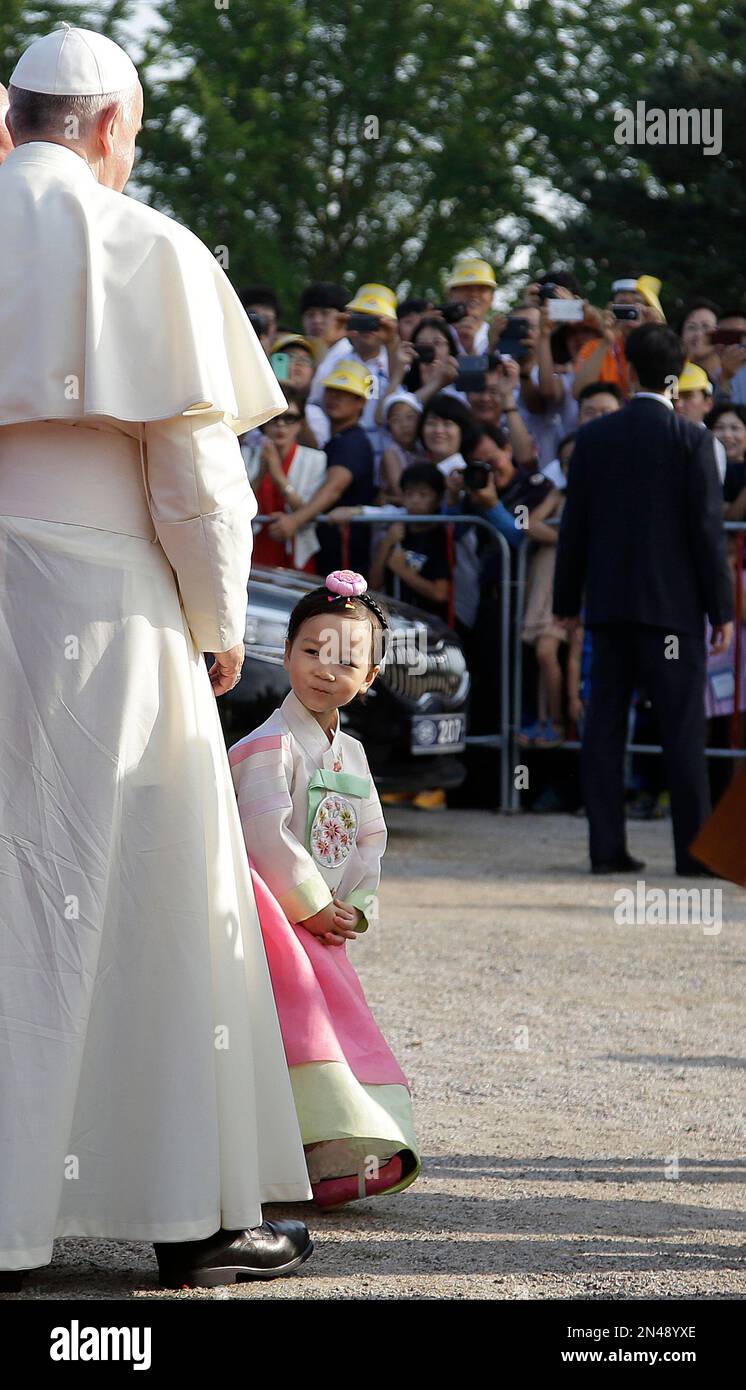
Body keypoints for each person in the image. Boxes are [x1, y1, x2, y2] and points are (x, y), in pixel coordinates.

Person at [0, 26, 313, 1291]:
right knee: (155, 902)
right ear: (113, 126)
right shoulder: (147, 247)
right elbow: (198, 484)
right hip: (104, 607)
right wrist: (220, 621)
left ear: (12, 117)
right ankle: (188, 1214)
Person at [228, 572, 420, 1207]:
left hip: (324, 921)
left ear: (368, 680)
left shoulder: (353, 755)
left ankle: (331, 1151)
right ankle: (289, 1157)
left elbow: (371, 836)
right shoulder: (266, 746)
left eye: (345, 661)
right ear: (286, 654)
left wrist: (354, 909)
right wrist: (311, 905)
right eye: (310, 651)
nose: (322, 669)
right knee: (295, 1028)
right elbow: (264, 834)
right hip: (272, 920)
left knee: (326, 1029)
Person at [553, 323, 734, 876]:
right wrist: (720, 609)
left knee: (604, 729)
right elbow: (707, 533)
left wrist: (565, 601)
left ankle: (606, 850)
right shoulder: (693, 440)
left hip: (608, 611)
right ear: (677, 373)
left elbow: (573, 528)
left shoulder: (595, 438)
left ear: (625, 369)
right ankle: (692, 853)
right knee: (682, 731)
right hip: (674, 618)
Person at [272, 359, 377, 576]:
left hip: (345, 553)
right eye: (331, 391)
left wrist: (294, 520)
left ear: (361, 402)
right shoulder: (339, 439)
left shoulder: (352, 442)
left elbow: (333, 489)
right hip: (334, 548)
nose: (334, 397)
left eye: (344, 393)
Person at [252, 385, 327, 572]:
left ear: (301, 423)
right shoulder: (246, 455)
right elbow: (238, 507)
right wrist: (261, 473)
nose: (281, 425)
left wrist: (279, 477)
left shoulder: (316, 459)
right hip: (255, 547)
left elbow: (307, 511)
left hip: (297, 548)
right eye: (274, 418)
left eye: (290, 418)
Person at [370, 462, 451, 620]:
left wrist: (403, 571)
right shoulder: (396, 532)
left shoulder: (440, 537)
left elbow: (440, 594)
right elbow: (374, 584)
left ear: (438, 499)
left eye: (423, 494)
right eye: (409, 494)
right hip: (394, 620)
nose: (415, 500)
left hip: (427, 623)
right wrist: (387, 543)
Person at [573, 275, 666, 400]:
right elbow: (579, 393)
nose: (631, 310)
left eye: (638, 303)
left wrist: (657, 333)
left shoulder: (665, 346)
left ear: (652, 309)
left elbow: (673, 393)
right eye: (623, 304)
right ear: (611, 308)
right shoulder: (594, 348)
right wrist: (607, 342)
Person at [445, 257, 497, 354]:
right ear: (450, 295)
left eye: (482, 289)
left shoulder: (498, 337)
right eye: (466, 288)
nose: (473, 294)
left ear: (492, 298)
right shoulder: (435, 335)